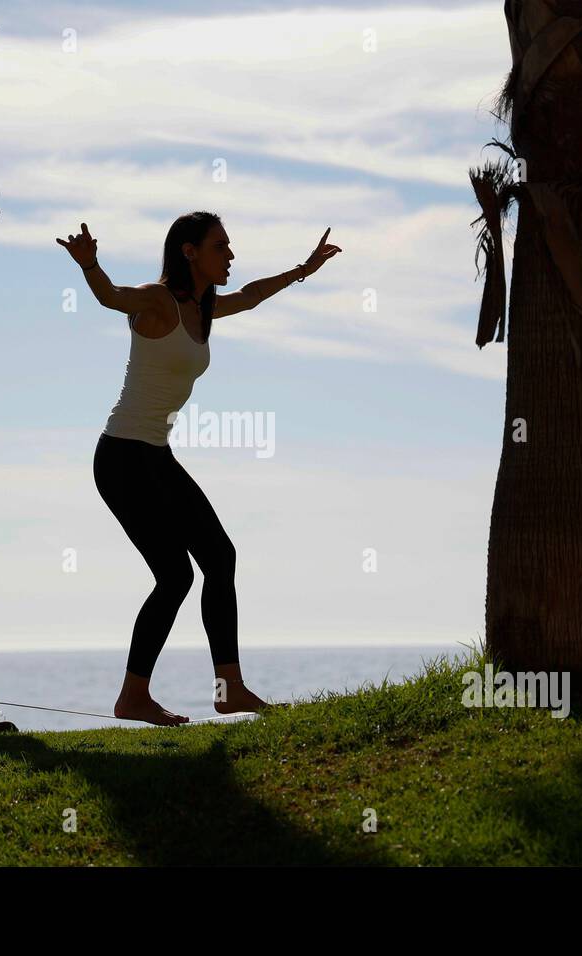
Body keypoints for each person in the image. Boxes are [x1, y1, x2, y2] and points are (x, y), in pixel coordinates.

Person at [56, 212, 341, 726]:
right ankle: (135, 696)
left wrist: (304, 269)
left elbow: (251, 295)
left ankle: (228, 687)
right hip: (122, 456)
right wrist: (90, 265)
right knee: (175, 575)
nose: (230, 255)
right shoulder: (158, 300)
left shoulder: (203, 306)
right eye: (220, 246)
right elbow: (111, 297)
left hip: (154, 454)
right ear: (189, 251)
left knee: (217, 558)